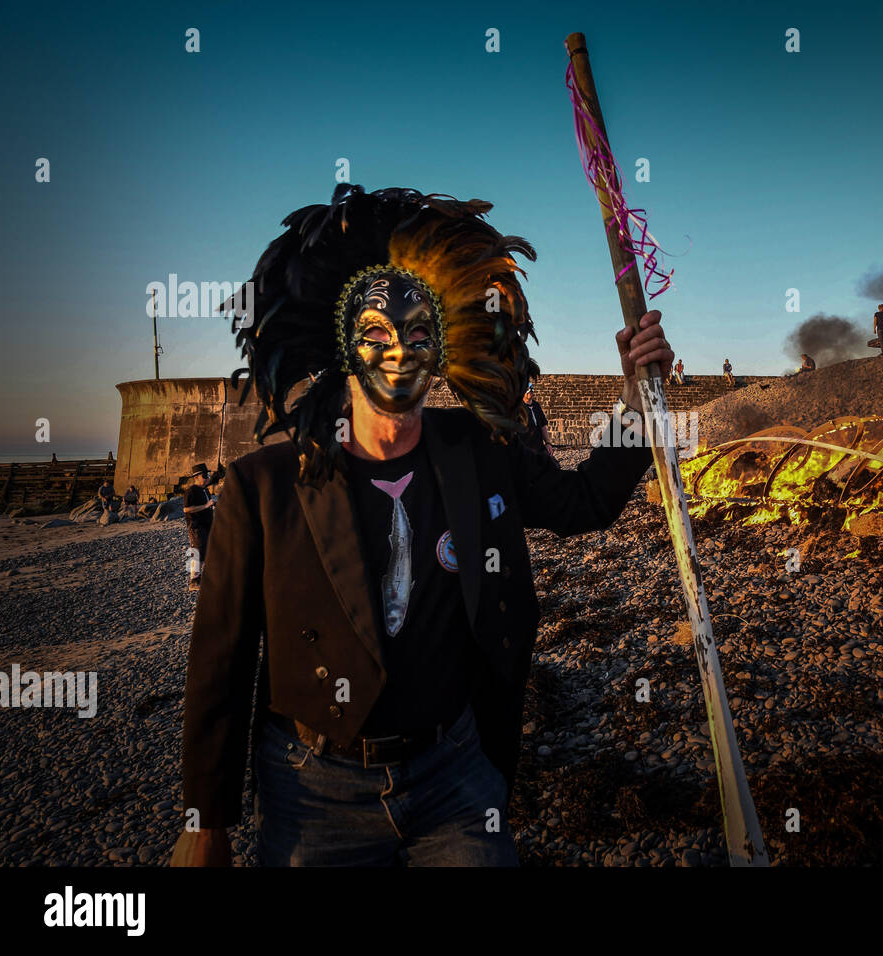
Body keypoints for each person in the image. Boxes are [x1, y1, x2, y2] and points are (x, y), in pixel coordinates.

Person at [172, 184, 672, 869]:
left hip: (457, 778)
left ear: (441, 348)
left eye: (417, 335)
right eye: (376, 334)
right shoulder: (263, 489)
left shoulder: (482, 451)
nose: (399, 351)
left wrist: (635, 397)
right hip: (312, 796)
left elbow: (583, 502)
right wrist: (207, 821)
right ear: (342, 346)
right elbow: (221, 662)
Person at [182, 463, 215, 591]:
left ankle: (198, 578)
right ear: (196, 477)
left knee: (204, 552)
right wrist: (206, 506)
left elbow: (207, 505)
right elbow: (186, 509)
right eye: (205, 475)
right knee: (196, 551)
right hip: (195, 525)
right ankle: (193, 582)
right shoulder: (191, 491)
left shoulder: (205, 490)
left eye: (208, 475)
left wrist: (212, 506)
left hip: (207, 525)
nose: (207, 478)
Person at [520, 383, 554, 458]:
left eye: (532, 390)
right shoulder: (519, 407)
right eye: (528, 390)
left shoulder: (536, 405)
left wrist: (548, 443)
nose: (530, 392)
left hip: (538, 447)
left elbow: (543, 425)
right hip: (524, 449)